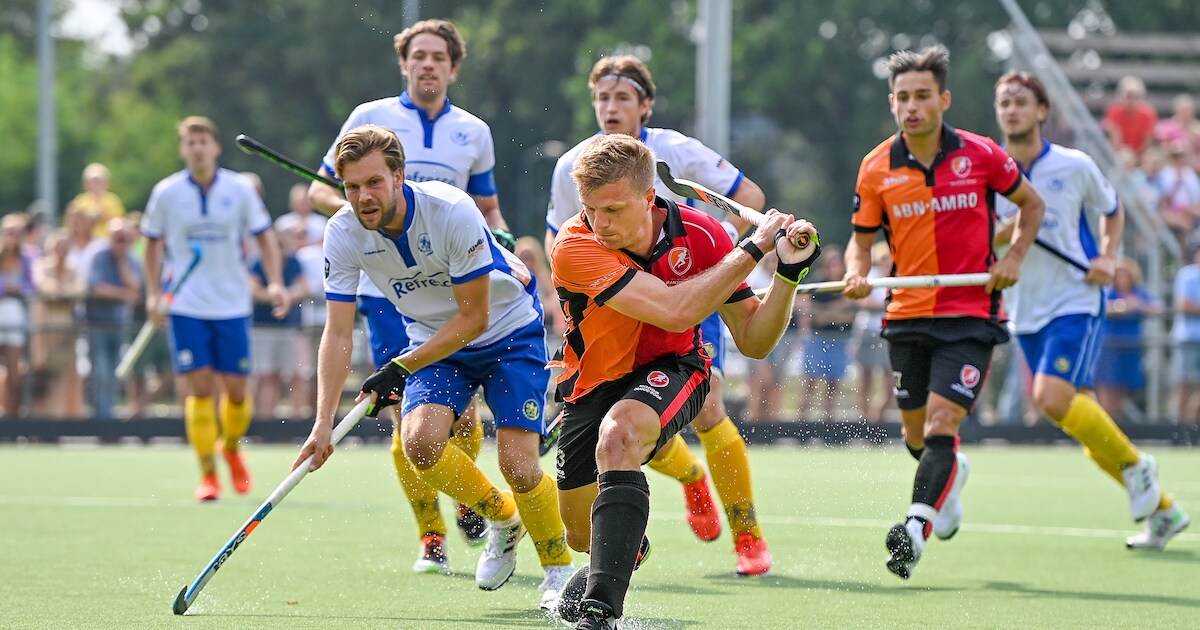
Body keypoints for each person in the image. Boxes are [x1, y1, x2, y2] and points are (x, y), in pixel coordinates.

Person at [292, 125, 572, 609]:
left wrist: (400, 367)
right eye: (352, 187)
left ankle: (558, 570)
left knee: (518, 464)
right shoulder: (342, 232)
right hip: (435, 341)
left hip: (506, 330)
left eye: (374, 182)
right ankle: (504, 518)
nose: (363, 197)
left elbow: (474, 317)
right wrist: (322, 423)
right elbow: (337, 333)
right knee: (419, 444)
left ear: (399, 176)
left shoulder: (450, 210)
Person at [548, 134, 819, 629]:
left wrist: (788, 276)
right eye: (590, 208)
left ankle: (599, 611)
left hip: (676, 367)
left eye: (613, 210)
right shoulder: (575, 245)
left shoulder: (702, 234)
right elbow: (675, 309)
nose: (599, 223)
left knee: (619, 437)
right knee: (581, 536)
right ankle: (625, 544)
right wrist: (755, 247)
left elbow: (754, 340)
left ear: (649, 197)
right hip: (592, 382)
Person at [544, 54, 776, 576]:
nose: (611, 107)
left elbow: (749, 198)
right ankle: (688, 478)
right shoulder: (573, 165)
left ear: (645, 105)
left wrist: (723, 253)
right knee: (631, 427)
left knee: (708, 406)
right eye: (602, 98)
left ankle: (747, 534)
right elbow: (559, 236)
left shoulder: (676, 150)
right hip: (615, 298)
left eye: (622, 97)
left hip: (689, 290)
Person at [307, 18, 510, 564]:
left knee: (462, 415)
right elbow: (317, 193)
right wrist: (366, 209)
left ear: (453, 68)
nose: (427, 64)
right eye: (417, 55)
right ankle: (431, 535)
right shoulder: (368, 118)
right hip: (387, 293)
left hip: (452, 291)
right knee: (404, 412)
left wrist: (504, 238)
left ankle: (469, 498)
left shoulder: (474, 131)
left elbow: (487, 209)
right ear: (404, 64)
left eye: (438, 57)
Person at [842, 46, 1046, 580]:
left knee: (940, 423)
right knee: (917, 437)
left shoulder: (981, 155)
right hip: (907, 315)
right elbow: (860, 242)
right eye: (903, 97)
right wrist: (858, 272)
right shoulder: (876, 167)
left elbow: (1032, 205)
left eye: (923, 96)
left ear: (944, 99)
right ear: (892, 103)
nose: (912, 106)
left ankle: (915, 528)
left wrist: (1014, 257)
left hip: (971, 314)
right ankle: (949, 480)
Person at [994, 70, 1189, 551]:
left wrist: (1107, 256)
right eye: (1004, 103)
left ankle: (1140, 467)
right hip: (1025, 308)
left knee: (1050, 398)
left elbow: (1113, 208)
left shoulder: (1073, 164)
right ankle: (1164, 510)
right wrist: (1013, 227)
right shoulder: (989, 173)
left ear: (1041, 111)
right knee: (1078, 420)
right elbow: (986, 238)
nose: (1012, 110)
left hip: (1075, 299)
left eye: (1021, 101)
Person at [142, 115, 290, 501]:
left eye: (203, 141)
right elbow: (152, 243)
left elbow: (265, 237)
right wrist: (153, 293)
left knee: (238, 392)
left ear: (216, 147)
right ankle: (208, 473)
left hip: (232, 304)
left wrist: (275, 282)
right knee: (201, 389)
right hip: (186, 305)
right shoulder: (166, 192)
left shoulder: (239, 190)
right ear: (183, 149)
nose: (197, 149)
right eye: (190, 142)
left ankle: (232, 448)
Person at [248, 224, 309, 419]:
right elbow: (254, 291)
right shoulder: (257, 263)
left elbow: (303, 287)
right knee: (267, 377)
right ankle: (265, 421)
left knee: (296, 376)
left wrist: (285, 296)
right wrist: (280, 297)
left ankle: (296, 420)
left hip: (289, 328)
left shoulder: (293, 262)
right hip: (263, 328)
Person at [84, 218, 143, 420]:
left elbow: (135, 289)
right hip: (98, 324)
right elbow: (97, 288)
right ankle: (102, 418)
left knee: (116, 372)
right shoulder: (98, 255)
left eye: (124, 238)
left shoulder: (131, 259)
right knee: (100, 372)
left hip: (119, 325)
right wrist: (123, 294)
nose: (121, 242)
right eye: (117, 237)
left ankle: (109, 414)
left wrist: (121, 262)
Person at [1095, 257, 1162, 419]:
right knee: (1106, 388)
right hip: (1109, 348)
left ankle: (1115, 422)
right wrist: (1123, 307)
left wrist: (1140, 306)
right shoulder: (1109, 291)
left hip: (1130, 348)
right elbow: (1101, 308)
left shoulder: (1138, 293)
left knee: (1121, 391)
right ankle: (1104, 421)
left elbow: (1158, 307)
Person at [31, 229, 86, 419]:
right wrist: (61, 292)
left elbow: (79, 289)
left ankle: (60, 420)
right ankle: (42, 421)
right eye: (58, 246)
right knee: (42, 378)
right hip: (44, 332)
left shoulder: (73, 268)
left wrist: (60, 293)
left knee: (65, 378)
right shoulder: (41, 266)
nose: (61, 250)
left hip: (66, 334)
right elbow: (43, 286)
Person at [0, 213, 34, 418]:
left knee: (14, 374)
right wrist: (6, 288)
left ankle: (11, 417)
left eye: (16, 232)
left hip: (15, 318)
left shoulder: (26, 258)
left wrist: (18, 288)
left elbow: (31, 286)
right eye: (8, 232)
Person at [1173, 242, 1200, 427]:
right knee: (1184, 383)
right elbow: (1183, 305)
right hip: (1188, 339)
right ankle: (1181, 427)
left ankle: (1193, 425)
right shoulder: (1187, 274)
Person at [66, 162, 126, 239]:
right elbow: (72, 225)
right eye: (92, 182)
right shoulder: (79, 202)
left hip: (108, 240)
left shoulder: (113, 201)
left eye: (98, 181)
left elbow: (120, 223)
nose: (95, 185)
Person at [1102, 75, 1158, 157]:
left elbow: (1147, 142)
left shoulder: (1148, 113)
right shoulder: (1115, 111)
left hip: (1141, 154)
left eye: (1136, 97)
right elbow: (1116, 140)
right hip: (1121, 152)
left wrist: (1139, 157)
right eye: (1129, 96)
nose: (1132, 100)